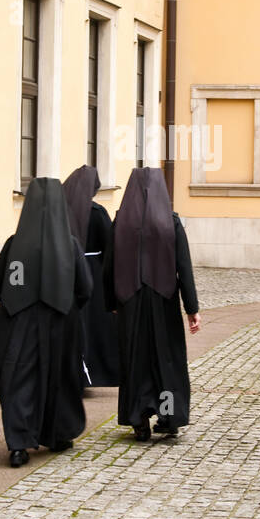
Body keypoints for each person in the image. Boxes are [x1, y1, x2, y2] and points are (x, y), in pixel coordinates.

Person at [0, 177, 93, 467]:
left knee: (19, 379)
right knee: (59, 377)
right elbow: (85, 287)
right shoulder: (70, 245)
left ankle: (19, 444)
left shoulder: (14, 245)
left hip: (19, 323)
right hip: (60, 322)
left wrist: (15, 305)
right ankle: (58, 434)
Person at [105, 167, 201, 442]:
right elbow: (184, 267)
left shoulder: (120, 222)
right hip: (163, 302)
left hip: (130, 303)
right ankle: (169, 417)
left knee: (135, 360)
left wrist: (112, 301)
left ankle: (140, 421)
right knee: (166, 361)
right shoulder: (171, 222)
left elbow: (108, 267)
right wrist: (191, 308)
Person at [62, 164, 119, 387]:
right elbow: (110, 245)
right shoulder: (97, 212)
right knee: (95, 327)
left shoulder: (62, 210)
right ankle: (95, 373)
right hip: (94, 271)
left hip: (68, 271)